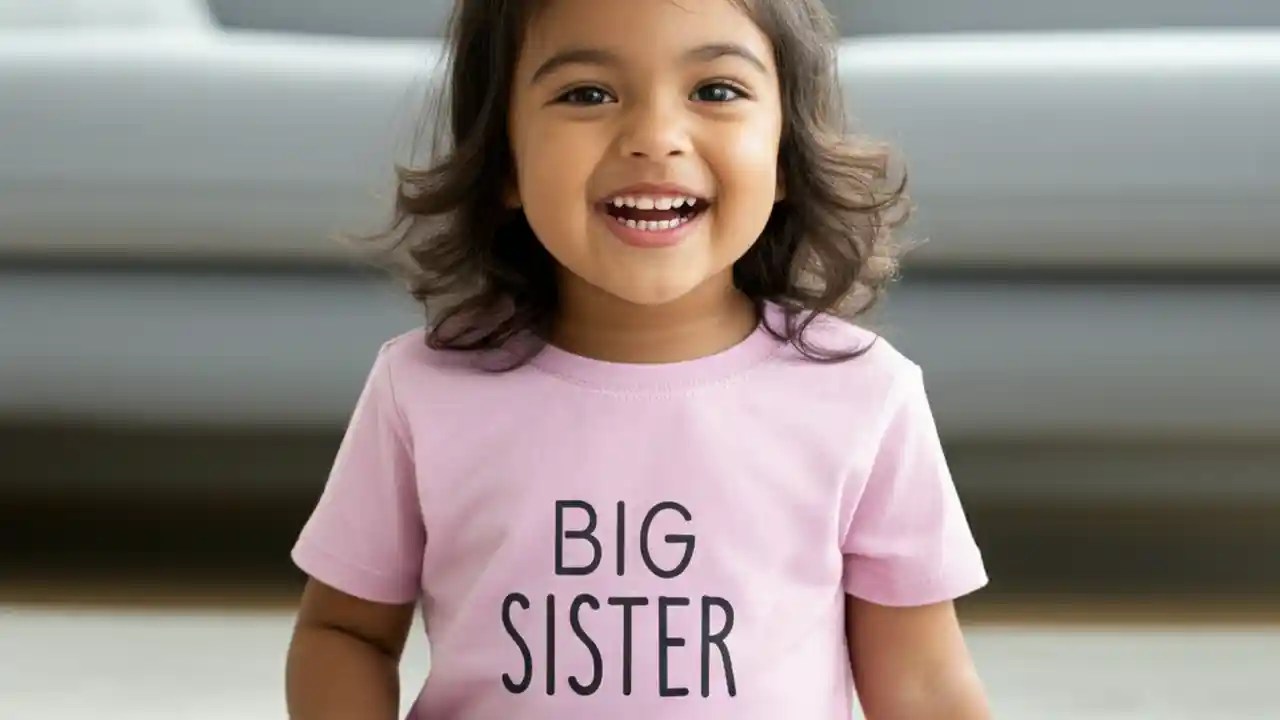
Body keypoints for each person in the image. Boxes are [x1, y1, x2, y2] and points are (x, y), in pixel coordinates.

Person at [285, 0, 990, 717]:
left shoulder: (865, 395)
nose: (655, 138)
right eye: (586, 94)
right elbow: (345, 631)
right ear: (504, 162)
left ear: (784, 155)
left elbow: (923, 684)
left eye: (716, 91)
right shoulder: (421, 390)